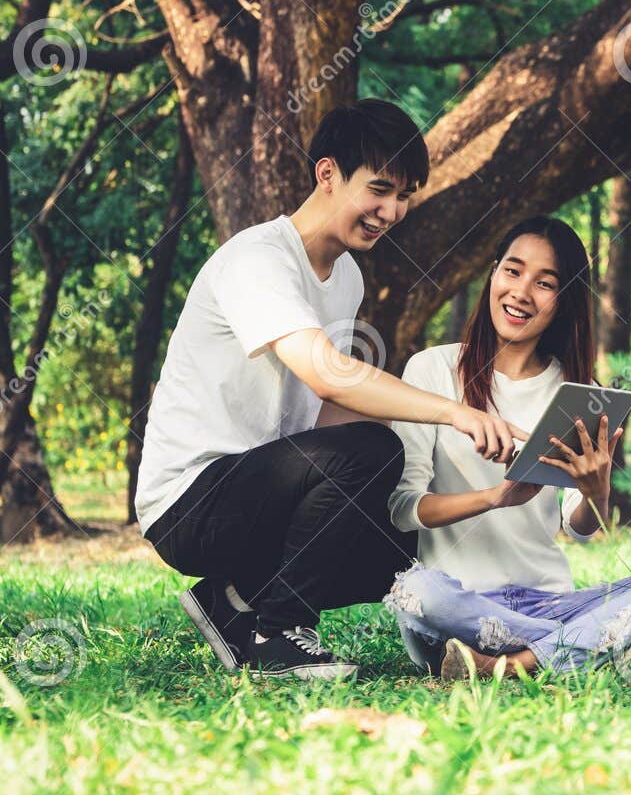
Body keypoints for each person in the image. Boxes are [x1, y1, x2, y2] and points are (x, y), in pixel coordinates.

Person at [137, 100, 526, 680]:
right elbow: (327, 373)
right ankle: (277, 637)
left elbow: (322, 413)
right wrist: (453, 412)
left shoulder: (345, 277)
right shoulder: (258, 259)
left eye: (404, 197)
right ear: (327, 174)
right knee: (375, 452)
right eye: (380, 189)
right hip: (190, 502)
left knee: (401, 541)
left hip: (260, 488)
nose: (391, 211)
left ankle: (232, 605)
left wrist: (445, 448)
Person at [383, 217, 631, 678]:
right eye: (512, 271)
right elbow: (403, 508)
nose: (521, 292)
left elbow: (580, 528)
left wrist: (596, 491)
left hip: (550, 601)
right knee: (416, 592)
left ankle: (515, 663)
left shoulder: (582, 393)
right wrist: (495, 498)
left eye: (545, 283)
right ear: (493, 274)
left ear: (564, 301)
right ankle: (592, 642)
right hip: (457, 601)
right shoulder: (432, 370)